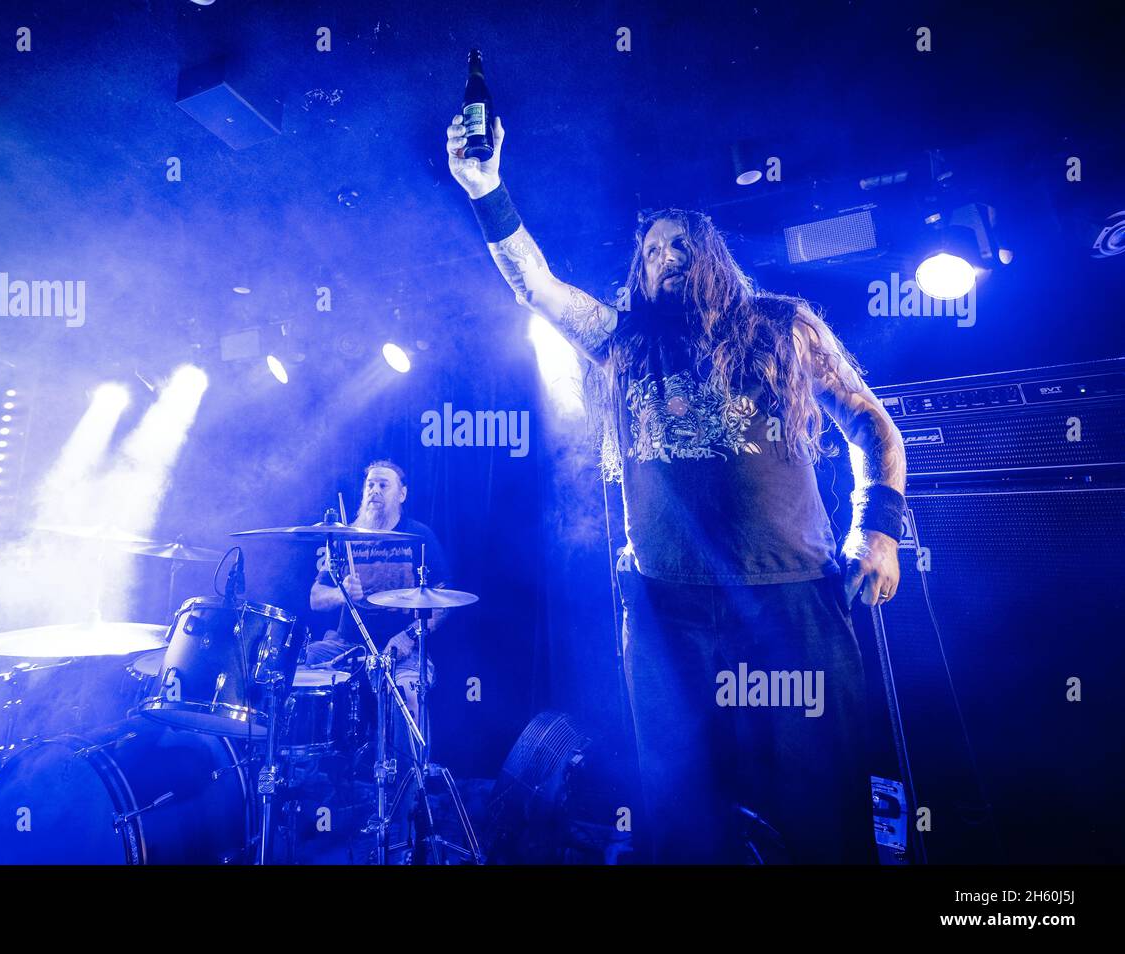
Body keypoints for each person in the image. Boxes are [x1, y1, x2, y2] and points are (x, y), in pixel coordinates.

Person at [447, 114, 907, 863]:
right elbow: (536, 284)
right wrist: (487, 186)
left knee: (819, 795)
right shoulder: (622, 341)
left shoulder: (781, 326)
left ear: (713, 256)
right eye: (653, 248)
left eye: (681, 244)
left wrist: (876, 530)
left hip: (790, 597)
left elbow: (871, 426)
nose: (666, 256)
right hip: (668, 610)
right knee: (680, 805)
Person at [306, 459, 449, 753]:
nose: (374, 490)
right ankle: (302, 774)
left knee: (410, 696)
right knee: (286, 669)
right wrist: (340, 593)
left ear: (402, 494)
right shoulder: (345, 538)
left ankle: (409, 789)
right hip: (345, 644)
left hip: (402, 648)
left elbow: (443, 603)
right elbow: (316, 597)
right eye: (370, 485)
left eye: (383, 485)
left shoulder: (419, 537)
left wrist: (408, 637)